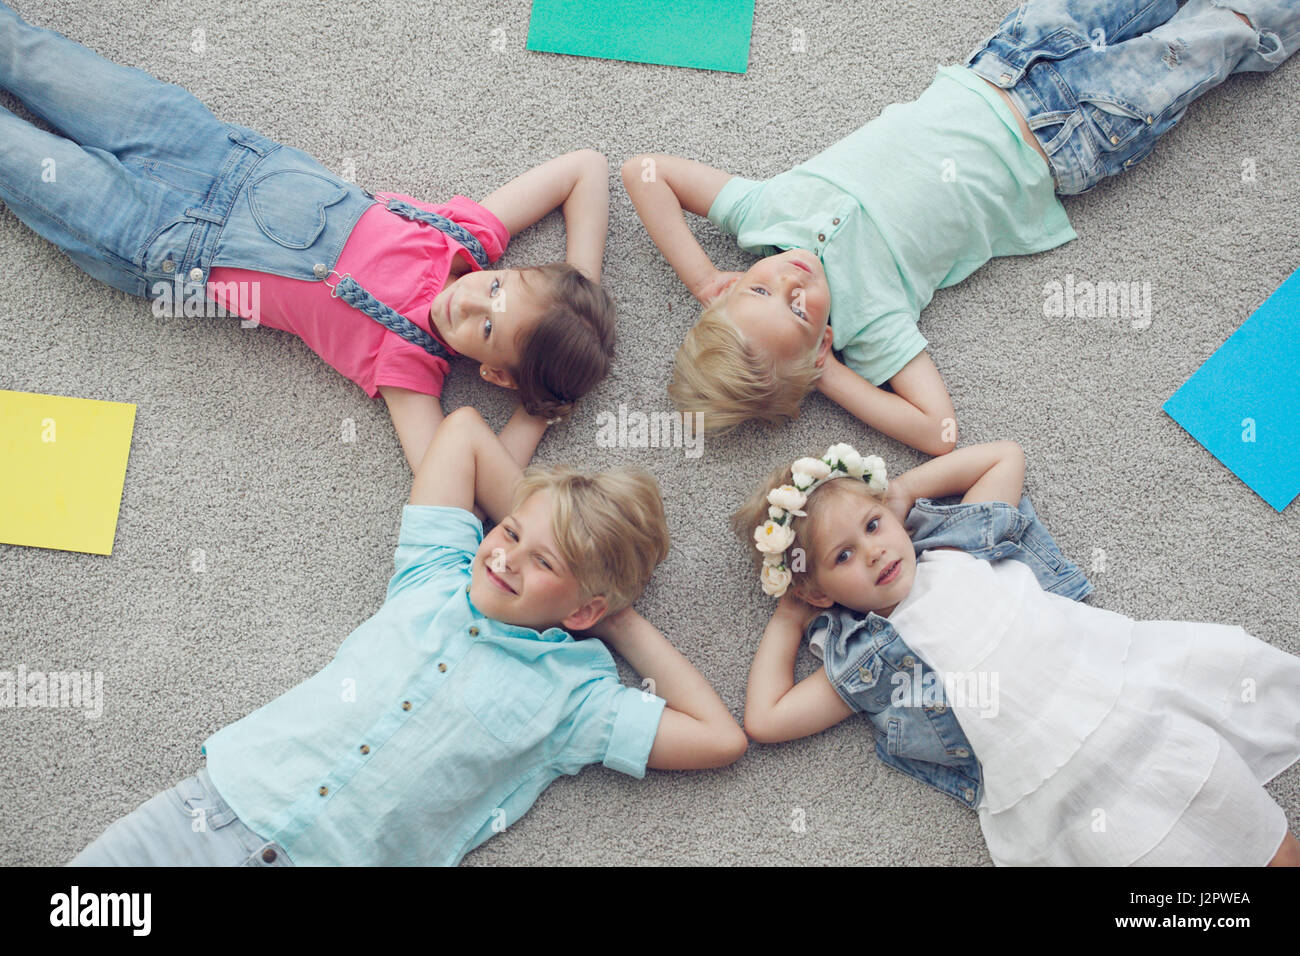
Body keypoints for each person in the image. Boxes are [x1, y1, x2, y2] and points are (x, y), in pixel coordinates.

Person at [69, 405, 749, 866]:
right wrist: (554, 522)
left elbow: (720, 737)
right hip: (204, 816)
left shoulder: (577, 700)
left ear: (582, 610)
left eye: (545, 562)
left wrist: (618, 619)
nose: (507, 556)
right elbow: (461, 433)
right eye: (511, 530)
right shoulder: (435, 578)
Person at [622, 0, 1295, 453]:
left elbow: (643, 171)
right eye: (799, 314)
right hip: (1072, 134)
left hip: (1007, 62)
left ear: (738, 282)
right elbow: (939, 430)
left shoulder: (761, 212)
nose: (792, 284)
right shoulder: (870, 322)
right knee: (1218, 33)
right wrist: (830, 375)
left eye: (759, 291)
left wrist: (703, 275)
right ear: (823, 338)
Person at [0, 1, 615, 472]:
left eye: (486, 329)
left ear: (496, 376)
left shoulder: (410, 365)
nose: (471, 300)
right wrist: (583, 278)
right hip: (201, 146)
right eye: (499, 287)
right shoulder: (465, 236)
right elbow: (584, 168)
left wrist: (539, 410)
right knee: (27, 53)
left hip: (161, 240)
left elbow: (451, 480)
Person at [734, 438, 1300, 865]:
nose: (875, 551)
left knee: (1236, 810)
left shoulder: (958, 547)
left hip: (1128, 705)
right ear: (818, 591)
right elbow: (765, 718)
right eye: (843, 557)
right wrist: (789, 616)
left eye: (874, 524)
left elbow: (1004, 457)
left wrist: (903, 491)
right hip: (1057, 791)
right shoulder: (870, 660)